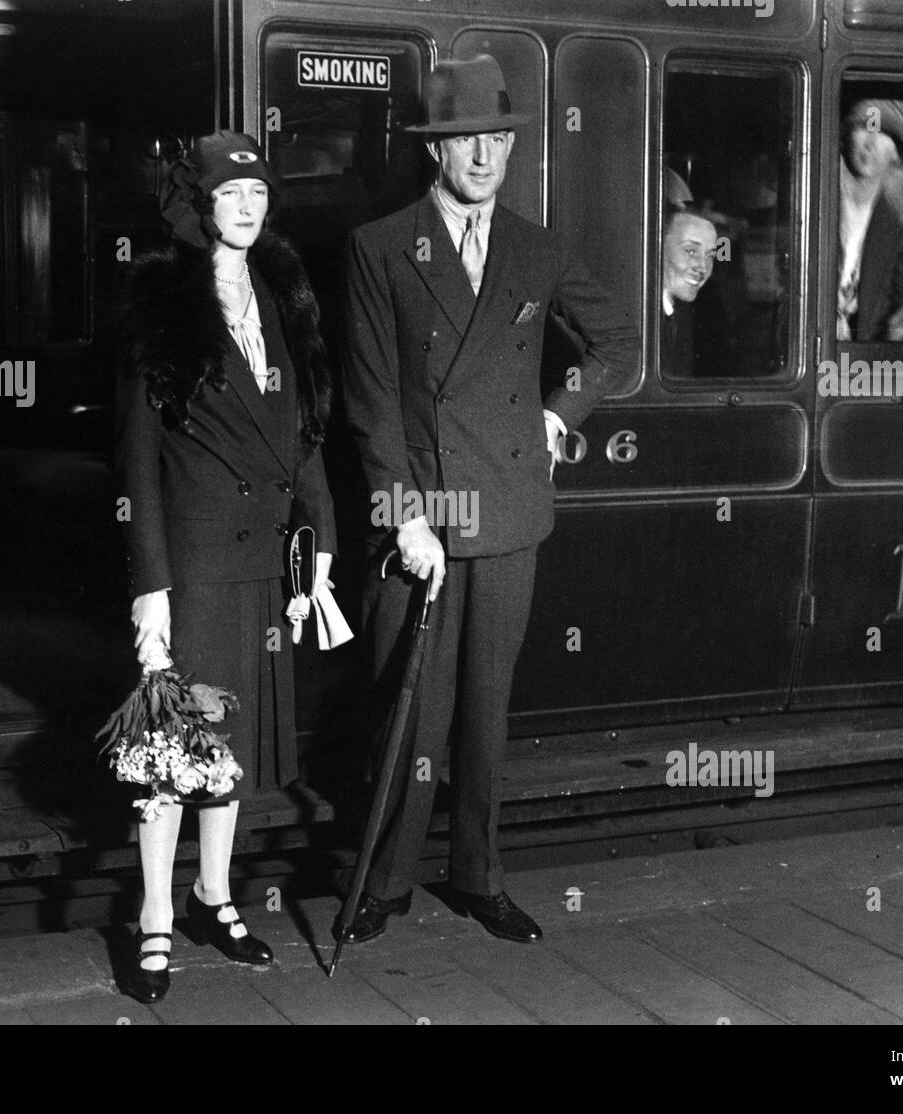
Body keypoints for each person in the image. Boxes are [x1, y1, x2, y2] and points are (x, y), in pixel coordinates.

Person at [339, 55, 637, 946]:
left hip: (507, 512)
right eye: (466, 139)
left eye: (497, 139)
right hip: (423, 519)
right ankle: (387, 882)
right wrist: (408, 519)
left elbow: (618, 343)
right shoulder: (379, 247)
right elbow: (368, 404)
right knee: (410, 707)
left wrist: (558, 413)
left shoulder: (538, 248)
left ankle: (480, 876)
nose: (484, 155)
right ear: (437, 150)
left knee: (485, 710)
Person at [113, 131, 336, 1001]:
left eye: (258, 194)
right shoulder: (164, 302)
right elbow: (136, 461)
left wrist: (318, 544)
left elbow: (303, 434)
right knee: (174, 750)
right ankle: (155, 921)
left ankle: (214, 896)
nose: (247, 208)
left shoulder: (282, 296)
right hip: (197, 563)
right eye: (229, 195)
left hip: (262, 564)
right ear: (200, 206)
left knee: (229, 750)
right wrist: (150, 587)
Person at [837, 98, 903, 341]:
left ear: (896, 153)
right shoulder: (809, 193)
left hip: (862, 365)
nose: (871, 144)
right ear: (845, 138)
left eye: (884, 136)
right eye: (863, 129)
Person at [660, 208, 729, 376]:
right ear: (659, 247)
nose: (703, 268)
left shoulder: (685, 314)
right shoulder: (627, 312)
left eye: (710, 256)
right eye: (690, 251)